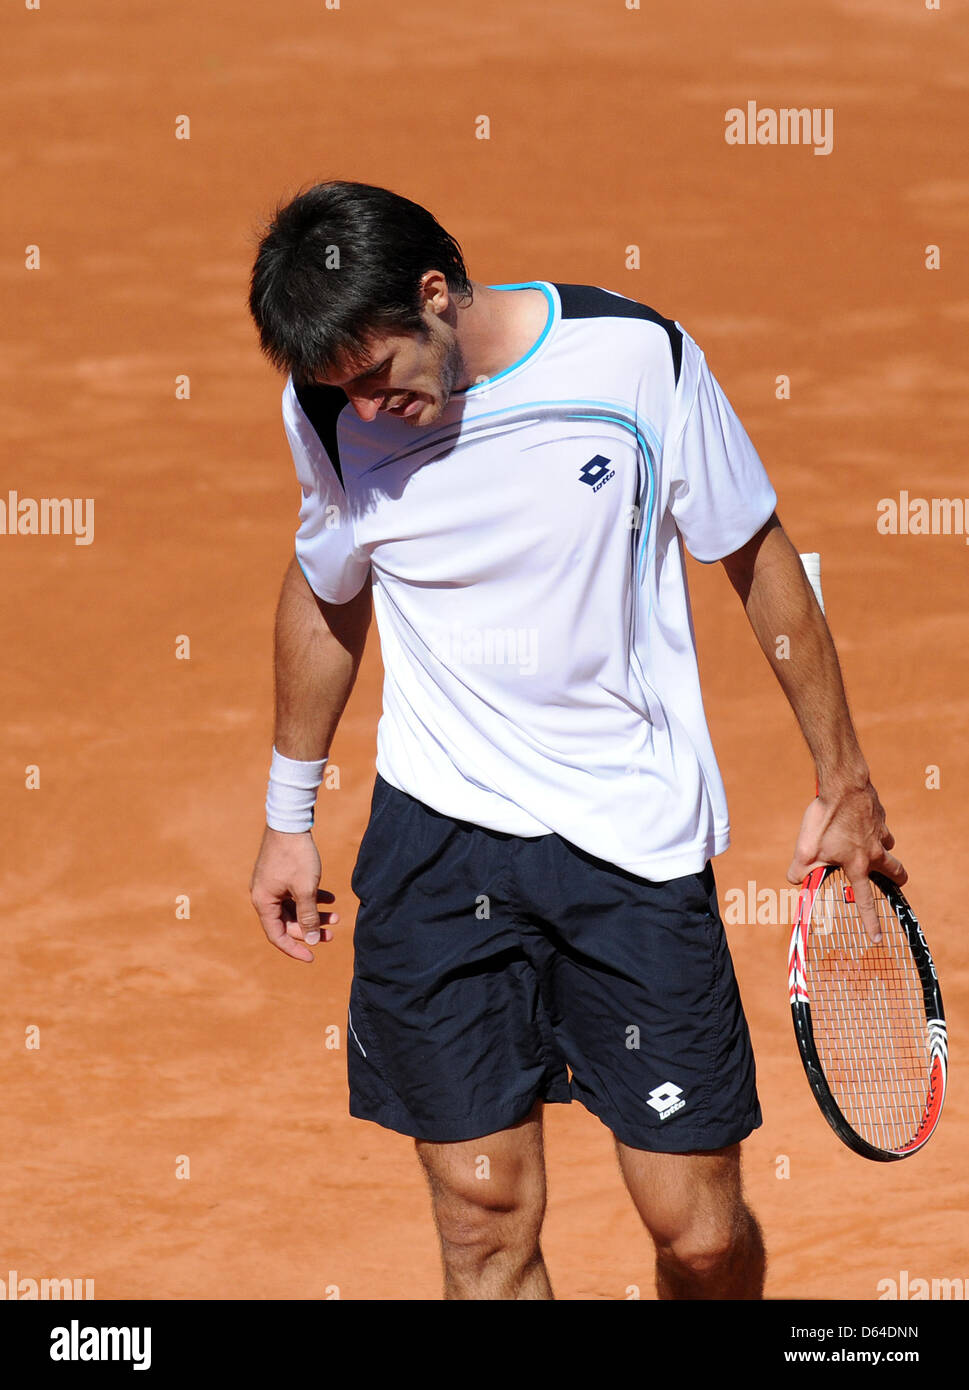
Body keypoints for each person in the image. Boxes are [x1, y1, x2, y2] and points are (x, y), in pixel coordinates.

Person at [247, 180, 905, 1301]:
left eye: (378, 375)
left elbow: (753, 553)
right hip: (438, 842)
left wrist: (843, 774)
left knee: (696, 1233)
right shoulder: (327, 416)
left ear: (436, 293)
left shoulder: (632, 359)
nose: (363, 406)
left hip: (628, 841)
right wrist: (287, 815)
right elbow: (327, 592)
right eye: (337, 389)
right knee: (483, 1223)